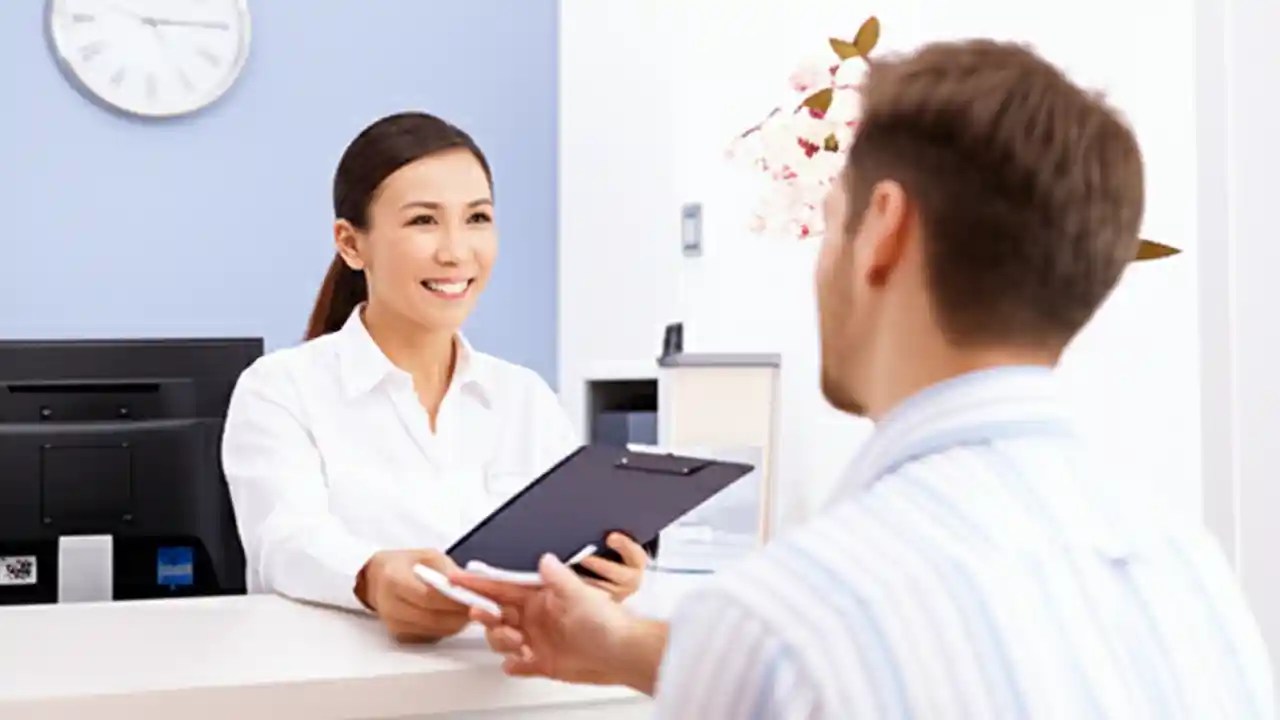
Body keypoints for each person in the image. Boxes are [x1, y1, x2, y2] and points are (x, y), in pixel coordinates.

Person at [451, 41, 1276, 717]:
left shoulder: (787, 618)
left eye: (832, 222)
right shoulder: (1188, 569)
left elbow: (804, 655)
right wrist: (631, 648)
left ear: (884, 228)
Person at [221, 112, 648, 643]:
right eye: (424, 221)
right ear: (352, 244)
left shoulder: (524, 397)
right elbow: (284, 541)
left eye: (477, 218)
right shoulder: (281, 388)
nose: (455, 251)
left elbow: (561, 552)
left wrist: (599, 572)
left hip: (506, 689)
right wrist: (373, 577)